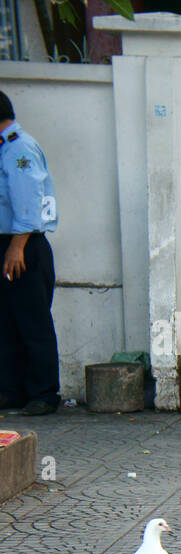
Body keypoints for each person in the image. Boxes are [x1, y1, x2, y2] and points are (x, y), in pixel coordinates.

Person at [0, 90, 60, 416]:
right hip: (9, 244)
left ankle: (43, 393)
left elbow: (28, 198)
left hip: (22, 246)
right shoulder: (5, 148)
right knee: (7, 321)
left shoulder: (18, 149)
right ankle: (11, 389)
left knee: (32, 320)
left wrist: (16, 247)